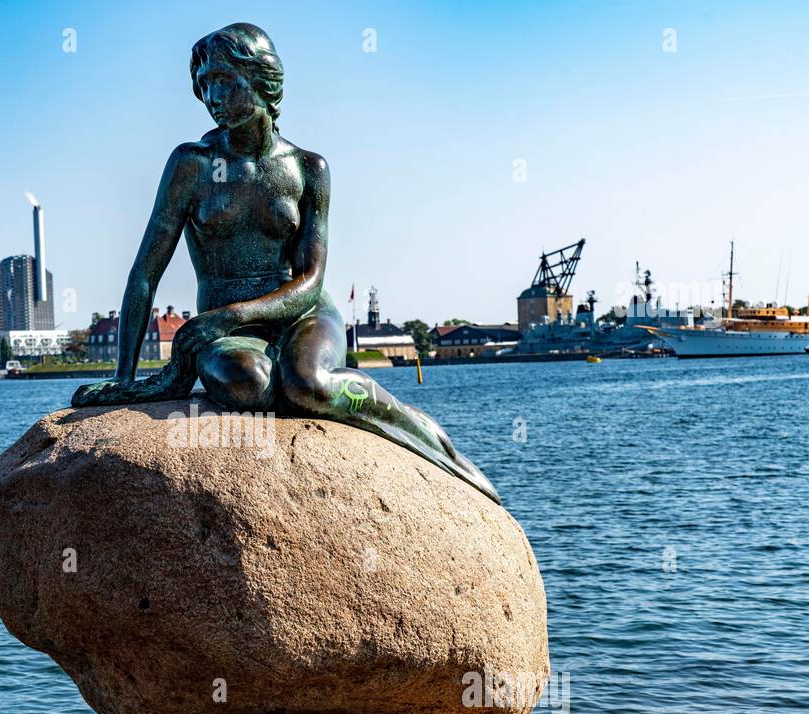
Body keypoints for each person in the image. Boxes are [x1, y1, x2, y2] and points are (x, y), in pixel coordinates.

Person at [72, 23, 498, 503]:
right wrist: (125, 382)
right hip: (225, 329)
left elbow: (312, 281)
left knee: (307, 385)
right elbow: (145, 274)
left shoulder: (308, 169)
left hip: (302, 313)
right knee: (248, 384)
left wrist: (234, 314)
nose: (212, 95)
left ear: (263, 81)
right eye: (205, 83)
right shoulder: (191, 164)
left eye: (225, 81)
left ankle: (419, 431)